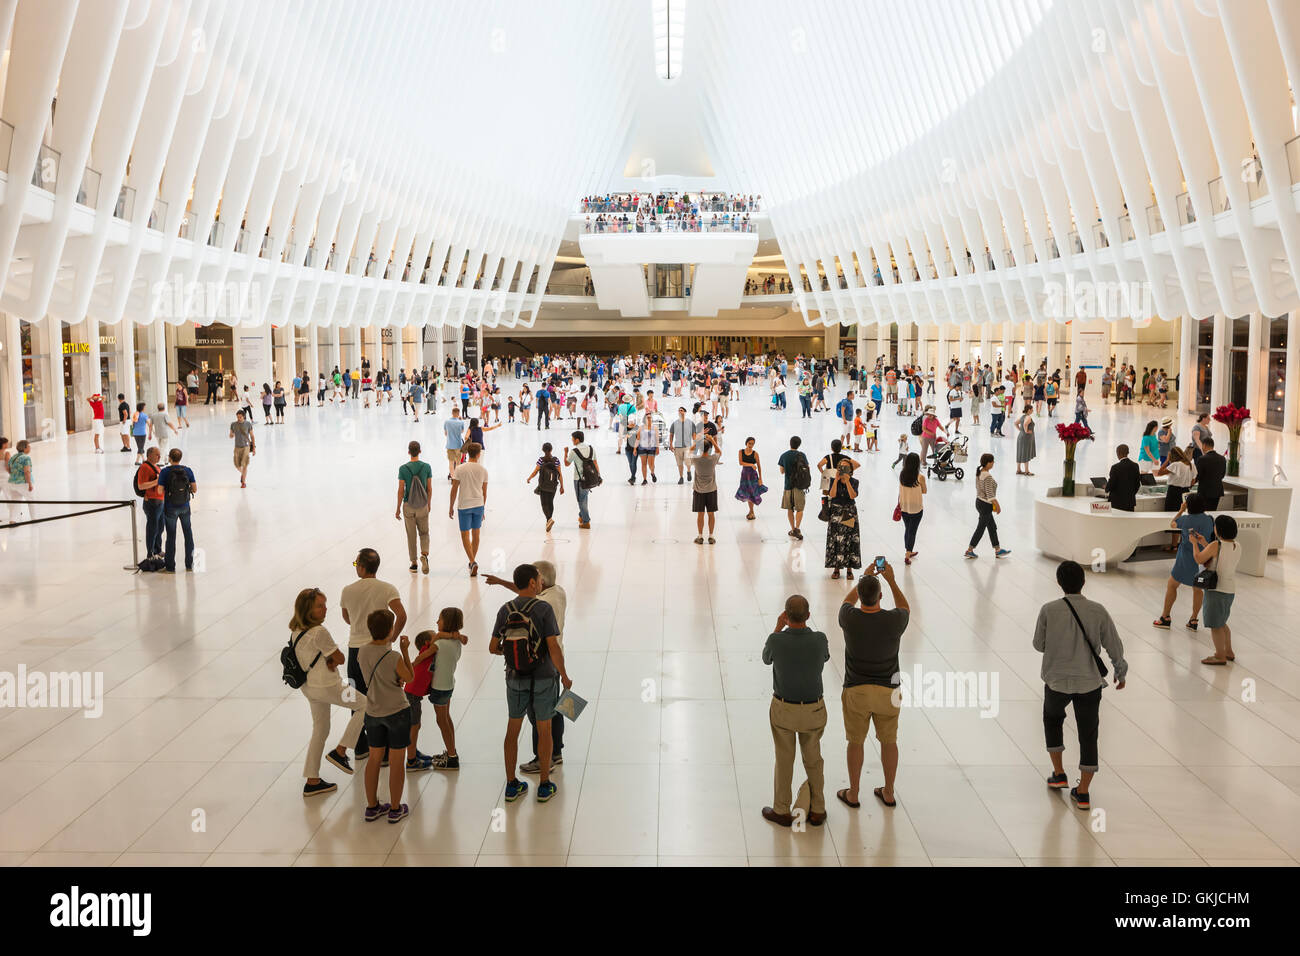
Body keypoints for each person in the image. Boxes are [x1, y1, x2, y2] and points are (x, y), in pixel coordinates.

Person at [1034, 560, 1128, 811]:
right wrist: (1121, 670)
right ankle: (1083, 792)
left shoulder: (1048, 610)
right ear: (1083, 583)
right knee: (1089, 732)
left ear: (1059, 582)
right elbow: (1113, 644)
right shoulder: (1098, 610)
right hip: (1089, 682)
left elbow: (1038, 645)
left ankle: (1058, 773)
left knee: (1052, 721)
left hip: (1056, 680)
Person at [488, 563, 572, 804]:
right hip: (545, 676)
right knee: (544, 729)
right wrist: (564, 676)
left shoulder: (506, 610)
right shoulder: (543, 608)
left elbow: (493, 647)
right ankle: (545, 785)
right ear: (534, 583)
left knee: (512, 730)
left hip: (515, 677)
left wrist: (510, 653)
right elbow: (553, 647)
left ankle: (512, 784)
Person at [837, 561, 909, 810]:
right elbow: (905, 606)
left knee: (855, 742)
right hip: (889, 692)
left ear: (860, 595)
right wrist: (890, 580)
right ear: (880, 596)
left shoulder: (850, 617)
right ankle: (888, 792)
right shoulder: (894, 620)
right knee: (889, 741)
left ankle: (853, 793)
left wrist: (861, 579)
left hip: (856, 689)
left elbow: (845, 603)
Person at [761, 594, 830, 827]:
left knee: (784, 759)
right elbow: (825, 657)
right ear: (808, 616)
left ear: (786, 616)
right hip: (813, 709)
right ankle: (818, 809)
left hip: (784, 710)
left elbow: (765, 658)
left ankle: (781, 809)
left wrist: (778, 628)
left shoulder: (776, 640)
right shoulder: (820, 640)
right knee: (813, 759)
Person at [290, 587, 365, 798]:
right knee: (365, 705)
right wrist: (332, 658)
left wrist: (329, 657)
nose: (325, 609)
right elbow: (340, 658)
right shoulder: (319, 632)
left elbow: (326, 656)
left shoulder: (296, 632)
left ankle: (312, 780)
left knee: (320, 730)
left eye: (324, 604)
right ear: (308, 610)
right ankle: (341, 751)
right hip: (329, 686)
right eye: (319, 606)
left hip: (310, 688)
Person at [340, 548, 408, 762]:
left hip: (355, 650)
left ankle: (360, 746)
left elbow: (347, 617)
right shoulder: (387, 588)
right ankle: (385, 750)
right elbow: (402, 615)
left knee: (356, 696)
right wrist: (391, 637)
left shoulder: (347, 590)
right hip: (381, 651)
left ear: (361, 567)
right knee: (383, 697)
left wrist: (360, 626)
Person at [358, 608, 414, 823]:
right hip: (397, 712)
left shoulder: (362, 652)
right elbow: (408, 676)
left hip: (373, 711)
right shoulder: (393, 656)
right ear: (391, 630)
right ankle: (395, 807)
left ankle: (372, 807)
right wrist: (405, 651)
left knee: (374, 759)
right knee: (397, 761)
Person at [409, 610, 467, 771]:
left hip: (439, 687)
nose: (436, 622)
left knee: (442, 721)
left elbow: (422, 656)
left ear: (446, 623)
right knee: (447, 719)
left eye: (439, 620)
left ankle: (452, 758)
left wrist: (411, 666)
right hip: (449, 684)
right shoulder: (457, 642)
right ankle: (451, 752)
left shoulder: (438, 644)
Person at [1153, 494, 1213, 630]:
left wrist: (1181, 510)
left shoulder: (1185, 520)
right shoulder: (1209, 519)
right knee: (1198, 589)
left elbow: (1172, 523)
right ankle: (1193, 620)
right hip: (1203, 557)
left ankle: (1165, 617)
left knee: (1172, 584)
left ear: (1188, 506)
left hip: (1185, 557)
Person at [1190, 515, 1240, 666]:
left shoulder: (1215, 545)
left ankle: (1220, 655)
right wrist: (1204, 542)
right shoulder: (1236, 545)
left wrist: (1194, 543)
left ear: (1218, 530)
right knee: (1222, 622)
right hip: (1229, 589)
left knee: (1215, 625)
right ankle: (1229, 651)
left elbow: (1199, 559)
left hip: (1216, 589)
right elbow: (1218, 554)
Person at [449, 441, 488, 576]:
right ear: (478, 455)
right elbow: (485, 492)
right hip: (478, 504)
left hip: (464, 505)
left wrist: (451, 506)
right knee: (476, 533)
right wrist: (483, 508)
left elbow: (454, 489)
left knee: (465, 534)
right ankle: (472, 562)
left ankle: (472, 561)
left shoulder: (460, 468)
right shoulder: (483, 470)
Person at [396, 441, 433, 574]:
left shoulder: (403, 469)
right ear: (420, 451)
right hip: (422, 505)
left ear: (408, 452)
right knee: (424, 532)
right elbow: (429, 488)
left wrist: (397, 508)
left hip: (408, 505)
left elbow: (401, 490)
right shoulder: (426, 467)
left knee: (411, 535)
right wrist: (429, 503)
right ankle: (424, 554)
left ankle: (414, 563)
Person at [964, 453, 1009, 559]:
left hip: (979, 502)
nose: (993, 463)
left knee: (992, 527)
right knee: (980, 528)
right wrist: (997, 505)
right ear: (988, 463)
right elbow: (990, 494)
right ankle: (970, 550)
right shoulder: (987, 476)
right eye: (992, 461)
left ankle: (997, 549)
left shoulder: (980, 473)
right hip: (985, 505)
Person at [158, 447, 196, 573]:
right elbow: (195, 489)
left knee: (171, 535)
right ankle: (189, 564)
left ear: (169, 458)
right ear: (180, 458)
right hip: (185, 506)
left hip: (170, 507)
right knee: (188, 534)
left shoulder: (165, 472)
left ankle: (170, 567)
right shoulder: (188, 470)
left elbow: (159, 491)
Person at [825, 458, 861, 579]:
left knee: (849, 539)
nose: (843, 469)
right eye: (841, 467)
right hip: (836, 512)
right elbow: (832, 494)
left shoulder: (855, 481)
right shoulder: (833, 480)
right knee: (835, 539)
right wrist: (836, 480)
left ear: (850, 470)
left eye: (845, 468)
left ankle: (849, 568)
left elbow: (852, 495)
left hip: (849, 512)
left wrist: (848, 481)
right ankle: (836, 568)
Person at [690, 429, 721, 544]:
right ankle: (711, 536)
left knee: (700, 514)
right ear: (710, 448)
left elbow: (690, 450)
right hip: (712, 490)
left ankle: (700, 536)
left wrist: (699, 441)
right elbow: (719, 451)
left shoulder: (696, 459)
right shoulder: (713, 459)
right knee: (711, 513)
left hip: (698, 490)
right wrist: (712, 439)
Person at [527, 441, 564, 532]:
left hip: (543, 485)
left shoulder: (541, 460)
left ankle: (549, 519)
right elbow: (559, 474)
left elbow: (535, 471)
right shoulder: (556, 460)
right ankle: (549, 520)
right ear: (551, 450)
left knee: (544, 504)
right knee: (550, 502)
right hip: (553, 486)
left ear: (543, 450)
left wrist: (529, 478)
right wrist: (562, 486)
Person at [777, 435, 809, 540]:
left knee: (790, 508)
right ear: (799, 444)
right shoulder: (802, 455)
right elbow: (807, 468)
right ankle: (797, 528)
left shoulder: (784, 456)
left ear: (790, 443)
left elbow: (782, 471)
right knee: (800, 509)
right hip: (799, 486)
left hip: (788, 486)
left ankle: (792, 529)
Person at [565, 430, 599, 530]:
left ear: (577, 440)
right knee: (584, 497)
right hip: (590, 478)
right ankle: (581, 515)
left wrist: (565, 453)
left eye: (573, 439)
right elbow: (595, 463)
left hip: (579, 479)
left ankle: (586, 521)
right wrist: (598, 476)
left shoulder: (574, 451)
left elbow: (567, 464)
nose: (572, 441)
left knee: (581, 500)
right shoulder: (591, 448)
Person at [135, 446, 165, 557]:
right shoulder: (144, 467)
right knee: (152, 528)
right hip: (152, 502)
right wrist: (157, 481)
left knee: (160, 527)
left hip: (161, 501)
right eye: (157, 454)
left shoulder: (156, 467)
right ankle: (150, 552)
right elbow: (141, 485)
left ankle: (158, 549)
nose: (159, 456)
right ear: (149, 455)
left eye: (159, 454)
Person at [897, 452, 926, 565]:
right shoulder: (920, 477)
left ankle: (908, 550)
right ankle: (908, 554)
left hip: (904, 507)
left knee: (908, 529)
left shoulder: (902, 475)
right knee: (912, 531)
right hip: (916, 508)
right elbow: (924, 491)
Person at [1154, 445, 1196, 512]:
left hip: (1174, 492)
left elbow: (1159, 472)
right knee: (1183, 512)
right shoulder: (1191, 465)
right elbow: (1193, 481)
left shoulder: (1176, 464)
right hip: (1186, 491)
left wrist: (1167, 460)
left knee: (1170, 513)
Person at [735, 437, 767, 520]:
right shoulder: (741, 452)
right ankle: (751, 512)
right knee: (747, 493)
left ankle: (751, 512)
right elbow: (740, 462)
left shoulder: (755, 453)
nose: (751, 445)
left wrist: (760, 478)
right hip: (745, 475)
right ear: (746, 443)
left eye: (752, 444)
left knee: (752, 493)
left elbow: (759, 466)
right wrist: (751, 465)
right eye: (749, 443)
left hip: (753, 476)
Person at [5, 439, 34, 524]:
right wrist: (30, 484)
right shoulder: (26, 458)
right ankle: (34, 519)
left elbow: (8, 469)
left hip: (12, 483)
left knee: (15, 503)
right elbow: (27, 471)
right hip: (23, 483)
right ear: (24, 448)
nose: (30, 448)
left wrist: (15, 476)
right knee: (31, 501)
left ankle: (13, 520)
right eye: (29, 446)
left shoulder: (13, 457)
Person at [1105, 444, 1141, 512]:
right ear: (1128, 452)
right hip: (1130, 502)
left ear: (1117, 453)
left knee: (1117, 521)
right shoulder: (1135, 466)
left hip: (1116, 502)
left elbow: (1111, 483)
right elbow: (1137, 484)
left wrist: (1106, 488)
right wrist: (1131, 494)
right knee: (1129, 521)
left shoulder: (1115, 467)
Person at [668, 406, 697, 484]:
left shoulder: (690, 423)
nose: (680, 412)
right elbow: (671, 434)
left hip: (687, 446)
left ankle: (688, 471)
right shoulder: (674, 423)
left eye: (681, 410)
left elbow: (694, 436)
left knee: (688, 462)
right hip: (677, 447)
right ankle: (681, 477)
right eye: (679, 410)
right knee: (679, 463)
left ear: (685, 412)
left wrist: (695, 445)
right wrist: (670, 444)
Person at [1196, 437, 1227, 509]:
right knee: (1213, 511)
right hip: (1217, 491)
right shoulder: (1222, 458)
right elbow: (1222, 475)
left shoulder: (1202, 459)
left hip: (1205, 491)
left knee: (1204, 512)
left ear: (1204, 445)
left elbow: (1198, 476)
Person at [229, 410, 255, 489]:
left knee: (245, 465)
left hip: (246, 447)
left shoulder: (248, 424)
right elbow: (231, 435)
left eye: (240, 417)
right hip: (237, 447)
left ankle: (243, 482)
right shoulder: (233, 424)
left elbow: (252, 436)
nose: (239, 418)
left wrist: (253, 448)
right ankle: (243, 474)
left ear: (243, 416)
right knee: (237, 465)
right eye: (237, 417)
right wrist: (231, 435)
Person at [443, 406, 467, 479]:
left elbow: (445, 434)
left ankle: (452, 476)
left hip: (450, 444)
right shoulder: (461, 422)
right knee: (458, 462)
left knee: (451, 462)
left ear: (452, 413)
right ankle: (457, 477)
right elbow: (462, 431)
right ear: (458, 413)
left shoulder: (446, 422)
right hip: (458, 445)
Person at [636, 413, 659, 484]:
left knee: (651, 464)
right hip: (642, 447)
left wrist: (657, 448)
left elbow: (657, 438)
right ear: (645, 419)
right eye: (647, 417)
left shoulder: (655, 427)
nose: (649, 419)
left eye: (650, 418)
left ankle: (652, 473)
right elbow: (638, 438)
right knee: (643, 464)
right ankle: (645, 479)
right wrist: (635, 448)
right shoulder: (641, 427)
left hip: (652, 448)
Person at [1014, 403, 1036, 475]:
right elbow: (1025, 424)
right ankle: (1026, 471)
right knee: (1026, 453)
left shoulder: (1022, 416)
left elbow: (1015, 423)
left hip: (1021, 436)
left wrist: (1020, 430)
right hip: (1026, 437)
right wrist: (1026, 430)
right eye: (1032, 409)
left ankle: (1018, 469)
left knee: (1020, 452)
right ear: (1029, 410)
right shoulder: (1028, 417)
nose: (1033, 411)